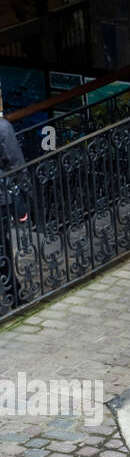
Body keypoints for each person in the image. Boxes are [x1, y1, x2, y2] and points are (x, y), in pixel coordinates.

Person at [0, 89, 28, 307]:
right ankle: (13, 294)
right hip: (2, 194)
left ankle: (13, 291)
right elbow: (16, 163)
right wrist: (20, 203)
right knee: (2, 247)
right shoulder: (3, 127)